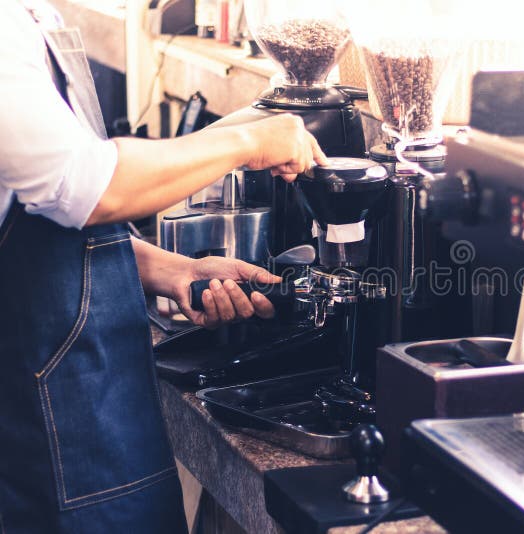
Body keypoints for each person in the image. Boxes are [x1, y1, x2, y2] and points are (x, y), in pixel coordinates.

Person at [0, 1, 329, 532]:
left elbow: (32, 209)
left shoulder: (28, 15)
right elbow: (86, 185)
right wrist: (245, 140)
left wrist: (168, 269)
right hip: (38, 407)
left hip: (86, 387)